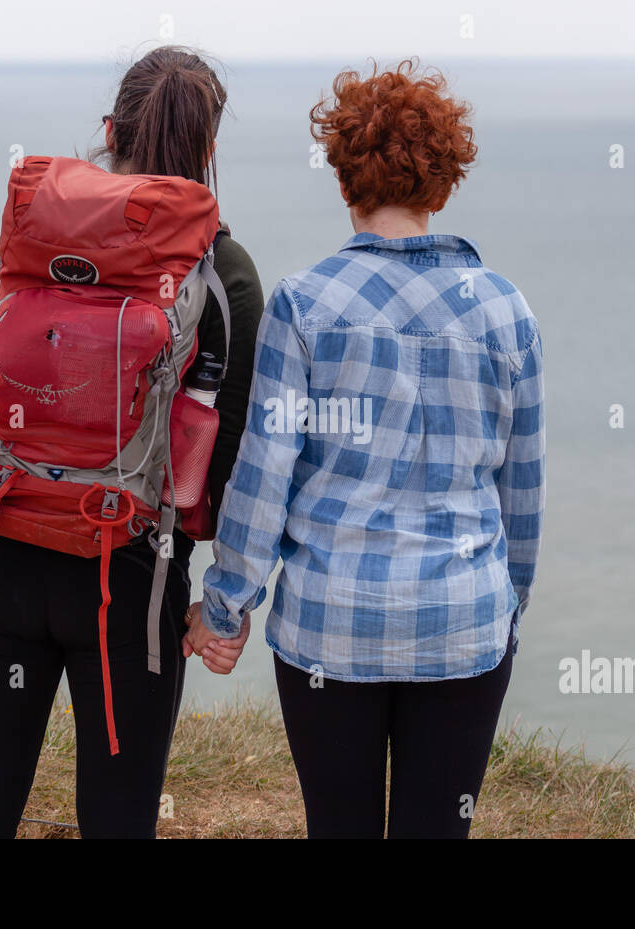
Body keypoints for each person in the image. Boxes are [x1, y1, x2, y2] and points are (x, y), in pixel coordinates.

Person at [185, 59, 545, 839]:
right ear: (443, 185)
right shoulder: (507, 312)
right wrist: (505, 605)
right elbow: (524, 492)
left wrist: (224, 608)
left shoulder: (302, 304)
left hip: (328, 626)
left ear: (345, 178)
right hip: (462, 624)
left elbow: (265, 475)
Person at [0, 46, 263, 839]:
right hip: (129, 578)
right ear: (209, 151)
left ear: (110, 129)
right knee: (118, 825)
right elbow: (226, 472)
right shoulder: (222, 271)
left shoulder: (28, 237)